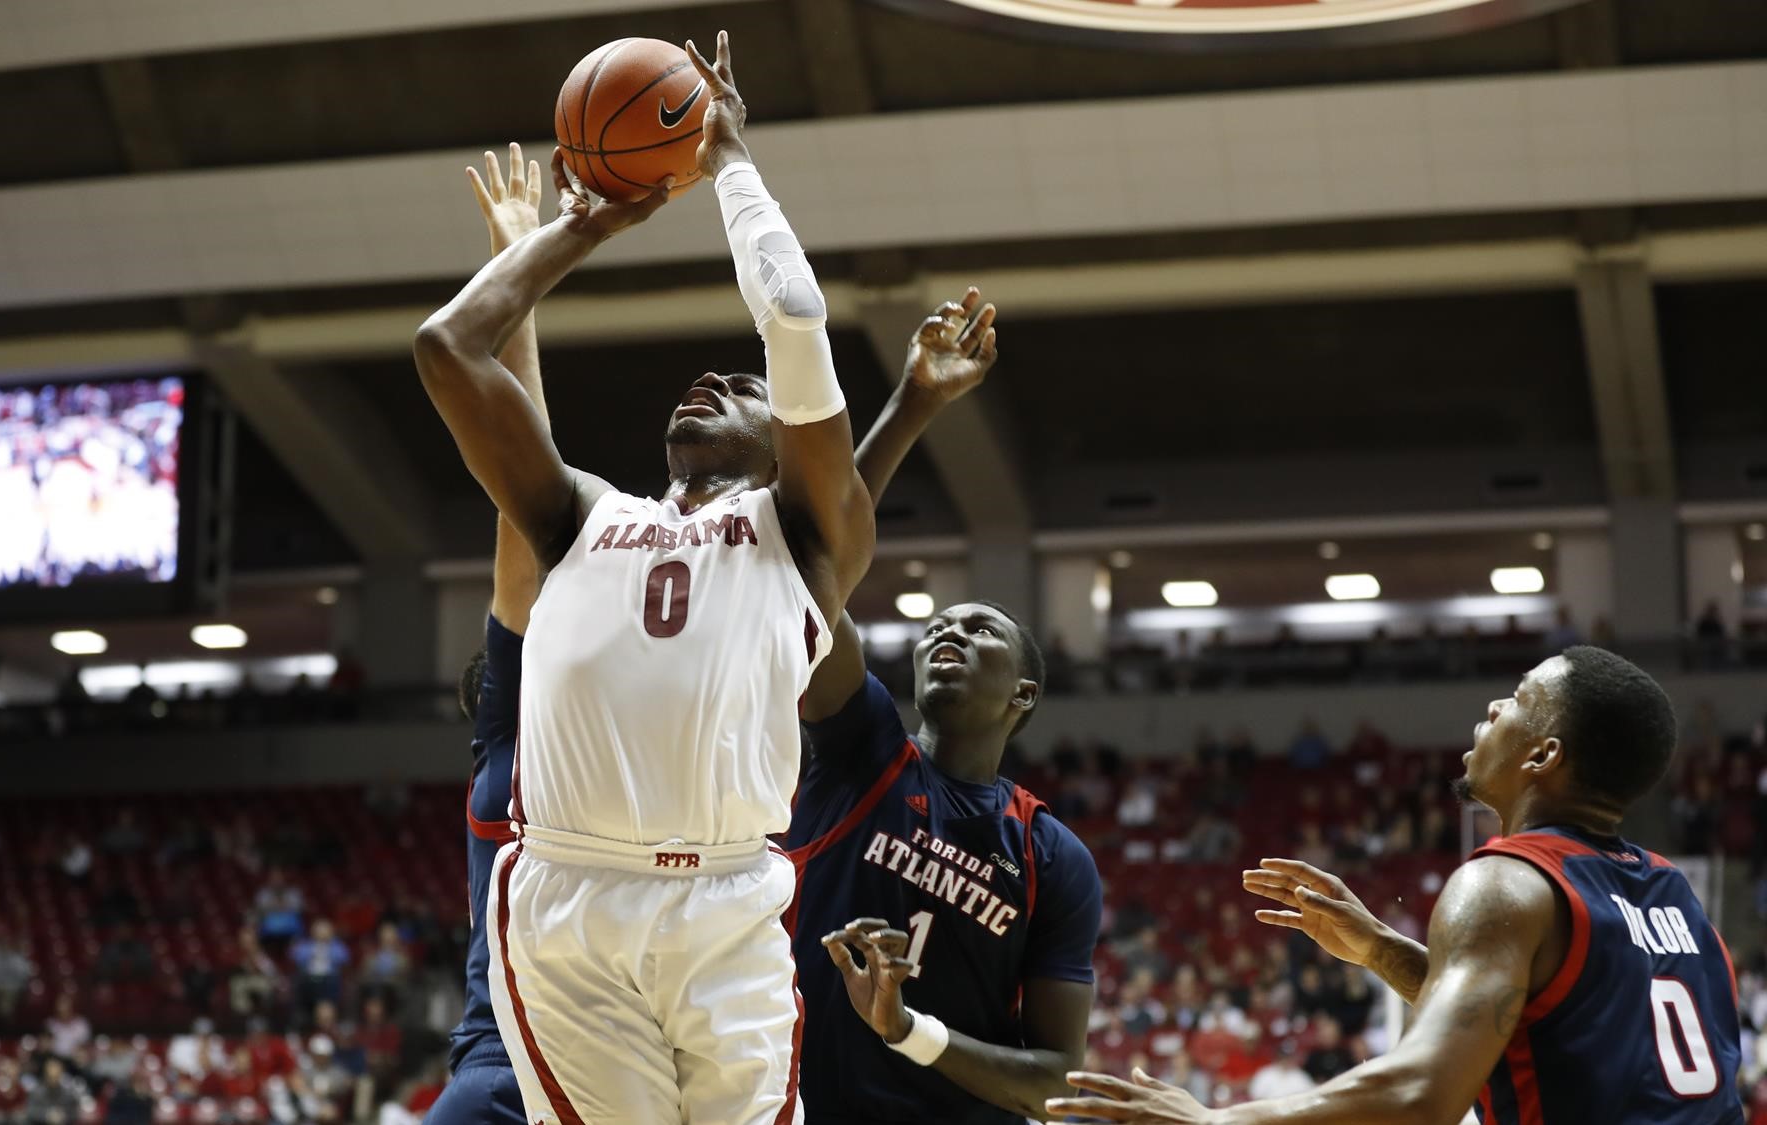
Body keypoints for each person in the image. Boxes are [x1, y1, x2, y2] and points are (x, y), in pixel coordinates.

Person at [414, 31, 873, 1124]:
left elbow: (795, 321)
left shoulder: (809, 540)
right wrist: (579, 227)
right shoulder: (577, 517)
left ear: (787, 449)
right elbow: (450, 348)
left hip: (727, 906)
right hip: (568, 903)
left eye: (741, 386)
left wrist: (727, 163)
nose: (713, 376)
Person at [1046, 646, 1746, 1124]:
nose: (1496, 706)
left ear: (1543, 754)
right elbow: (1544, 1024)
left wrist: (1215, 1116)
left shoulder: (1506, 881)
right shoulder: (1673, 893)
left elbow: (1421, 1093)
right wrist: (1382, 948)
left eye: (1520, 699)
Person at [782, 290, 1100, 1125]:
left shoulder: (1050, 856)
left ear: (1023, 695)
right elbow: (808, 576)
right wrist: (913, 400)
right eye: (937, 624)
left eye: (980, 627)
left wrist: (908, 1030)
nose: (948, 629)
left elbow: (1057, 1079)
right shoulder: (864, 748)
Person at [427, 141, 546, 1125]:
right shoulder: (510, 744)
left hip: (628, 1070)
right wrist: (523, 272)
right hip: (502, 1065)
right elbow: (523, 508)